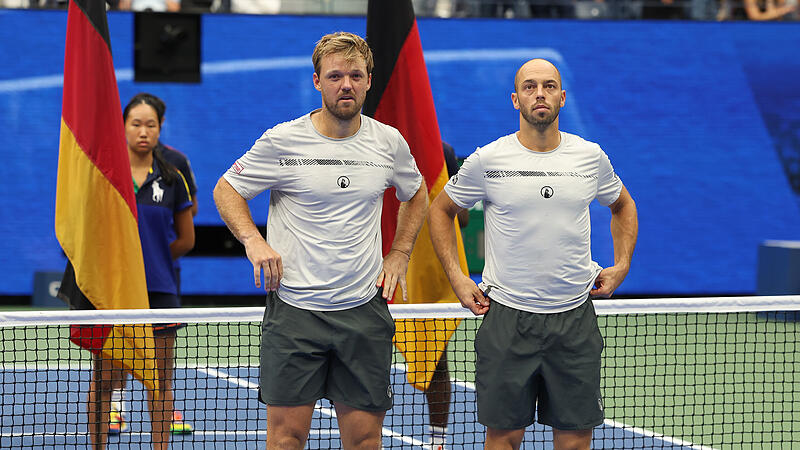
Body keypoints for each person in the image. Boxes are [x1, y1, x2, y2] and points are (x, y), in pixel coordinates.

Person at [213, 31, 428, 449]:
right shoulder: (281, 141)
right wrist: (253, 241)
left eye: (354, 75)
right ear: (317, 82)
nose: (344, 84)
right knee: (287, 438)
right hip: (295, 314)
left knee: (365, 440)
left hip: (364, 312)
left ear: (369, 80)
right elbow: (227, 189)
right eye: (334, 76)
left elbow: (416, 194)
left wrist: (400, 251)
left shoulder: (389, 143)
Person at [428, 58, 638, 450]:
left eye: (548, 86)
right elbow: (440, 210)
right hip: (507, 320)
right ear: (515, 99)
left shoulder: (590, 156)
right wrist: (457, 277)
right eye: (529, 86)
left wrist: (622, 264)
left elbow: (623, 205)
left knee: (575, 440)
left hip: (573, 320)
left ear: (562, 96)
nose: (539, 93)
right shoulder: (488, 159)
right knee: (503, 438)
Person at [97, 93, 194, 448]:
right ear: (122, 127)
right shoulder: (104, 174)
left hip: (160, 291)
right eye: (135, 124)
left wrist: (152, 261)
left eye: (150, 125)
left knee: (159, 381)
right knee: (105, 381)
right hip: (113, 294)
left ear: (159, 128)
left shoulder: (172, 177)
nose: (143, 131)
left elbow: (185, 238)